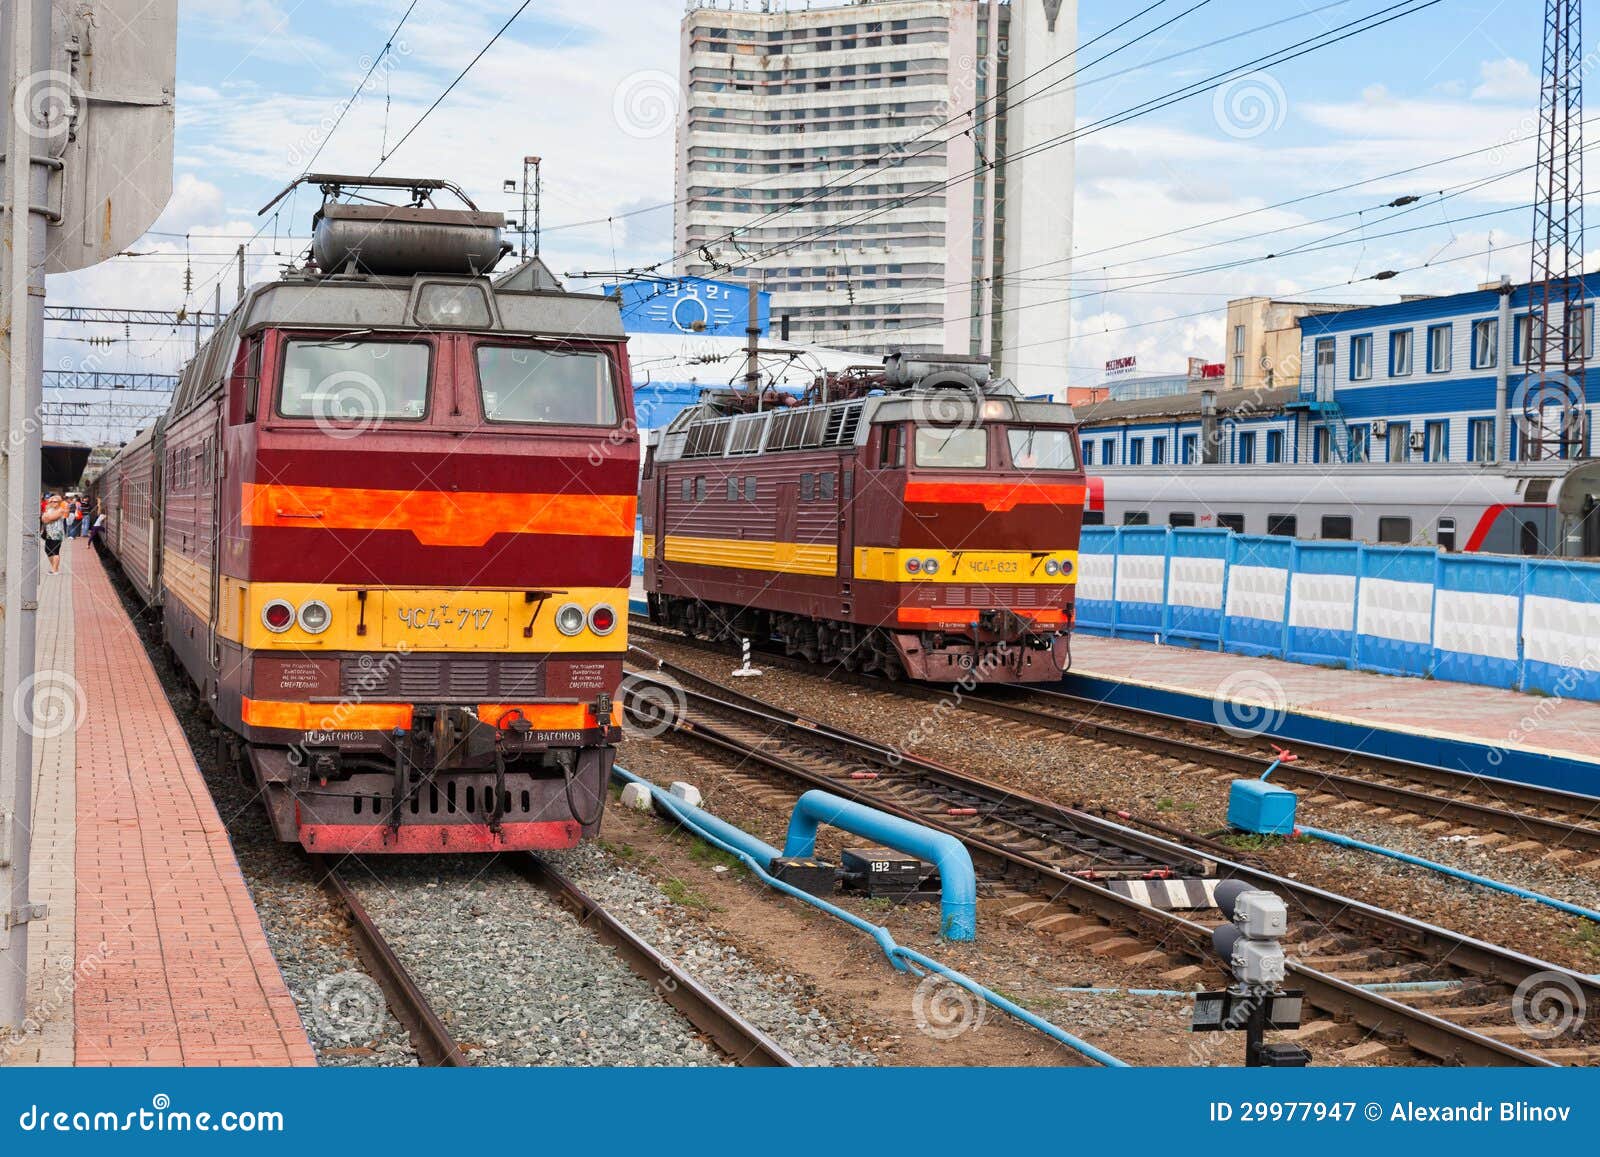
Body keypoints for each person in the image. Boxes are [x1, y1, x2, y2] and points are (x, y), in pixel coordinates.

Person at [40, 494, 67, 575]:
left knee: (55, 551)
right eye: (51, 501)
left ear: (59, 502)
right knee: (47, 550)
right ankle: (55, 568)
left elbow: (50, 518)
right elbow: (43, 519)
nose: (52, 503)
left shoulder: (61, 510)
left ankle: (54, 570)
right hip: (49, 533)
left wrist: (47, 517)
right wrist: (47, 517)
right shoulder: (49, 510)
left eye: (55, 501)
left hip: (57, 534)